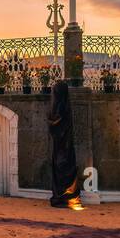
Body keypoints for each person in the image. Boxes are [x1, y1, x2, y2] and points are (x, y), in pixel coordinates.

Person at [47, 80, 82, 209]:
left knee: (61, 170)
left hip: (62, 146)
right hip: (65, 146)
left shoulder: (60, 108)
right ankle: (67, 196)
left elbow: (55, 125)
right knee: (64, 170)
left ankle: (63, 197)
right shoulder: (64, 107)